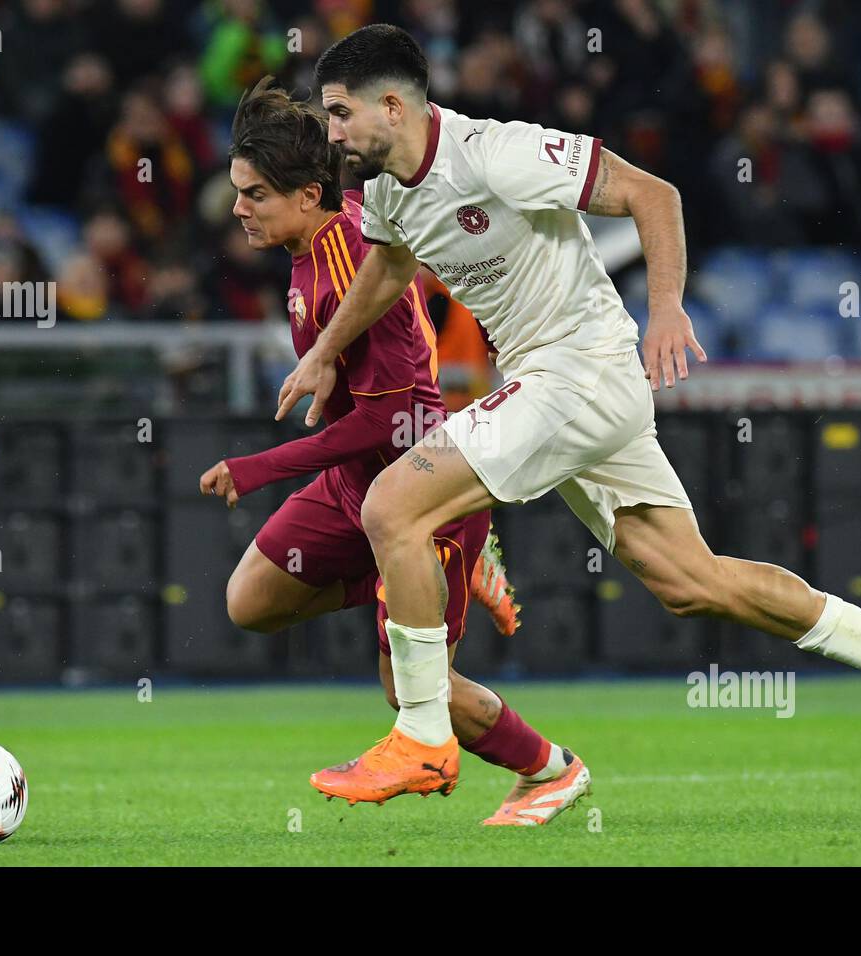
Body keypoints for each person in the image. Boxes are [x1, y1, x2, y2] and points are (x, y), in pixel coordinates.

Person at [275, 25, 861, 807]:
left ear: (394, 106)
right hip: (563, 385)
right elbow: (393, 261)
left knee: (391, 508)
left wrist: (667, 309)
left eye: (339, 114)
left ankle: (425, 737)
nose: (330, 132)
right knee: (691, 579)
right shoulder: (383, 190)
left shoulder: (496, 152)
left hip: (580, 370)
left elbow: (654, 194)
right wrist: (327, 350)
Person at [198, 78, 589, 825]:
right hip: (355, 487)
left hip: (417, 488)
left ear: (308, 193)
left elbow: (397, 423)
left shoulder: (347, 258)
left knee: (410, 688)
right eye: (238, 191)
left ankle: (551, 770)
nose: (239, 208)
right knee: (250, 602)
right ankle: (437, 581)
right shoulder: (317, 238)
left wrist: (261, 466)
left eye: (253, 195)